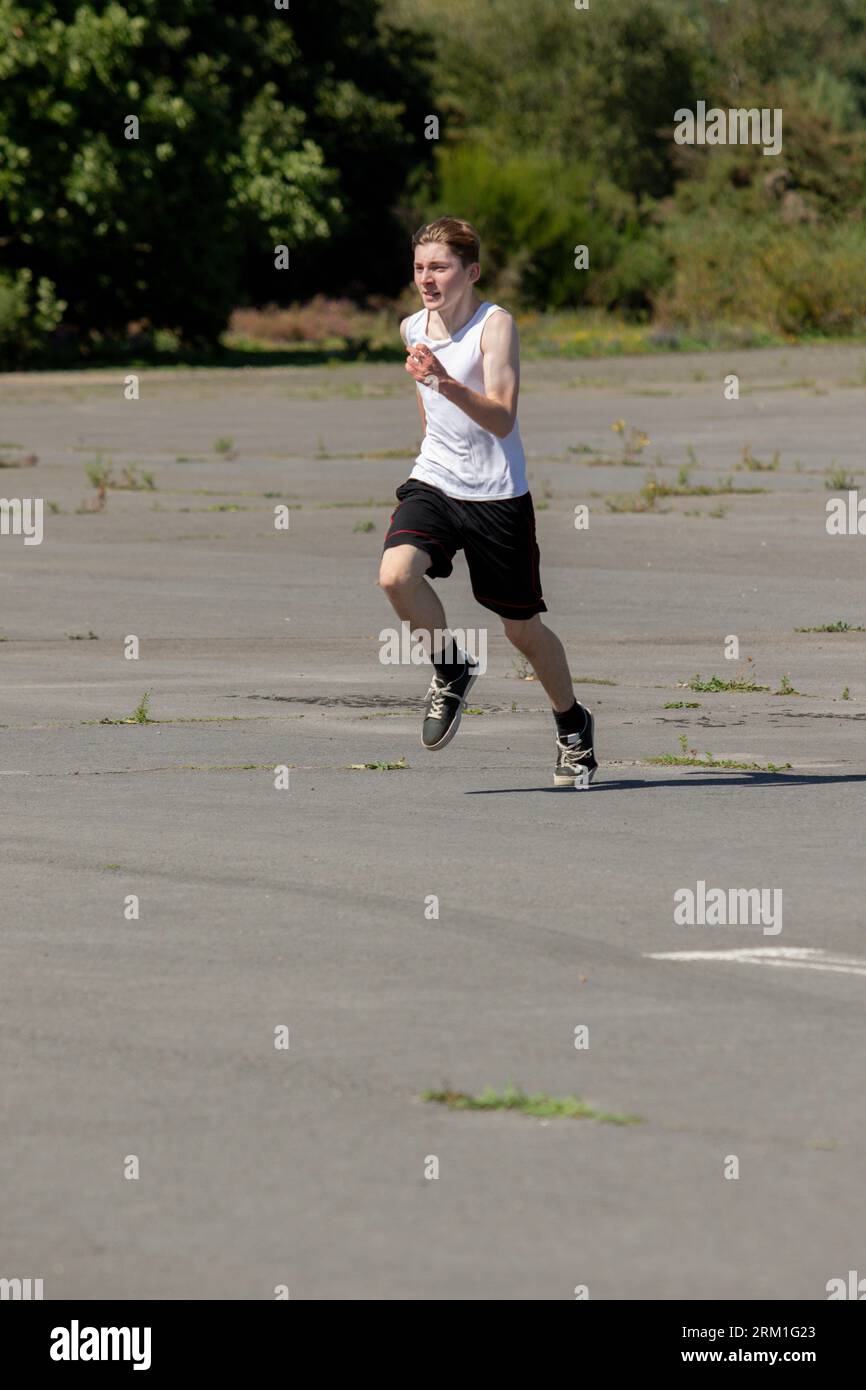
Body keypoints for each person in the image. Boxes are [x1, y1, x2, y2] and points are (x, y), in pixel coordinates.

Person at [378, 215, 597, 786]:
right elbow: (431, 417)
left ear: (470, 272)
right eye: (420, 267)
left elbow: (501, 418)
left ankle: (572, 725)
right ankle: (450, 668)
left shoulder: (494, 326)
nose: (428, 279)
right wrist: (434, 418)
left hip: (497, 494)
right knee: (395, 576)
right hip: (435, 480)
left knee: (521, 629)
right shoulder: (411, 328)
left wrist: (444, 380)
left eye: (441, 268)